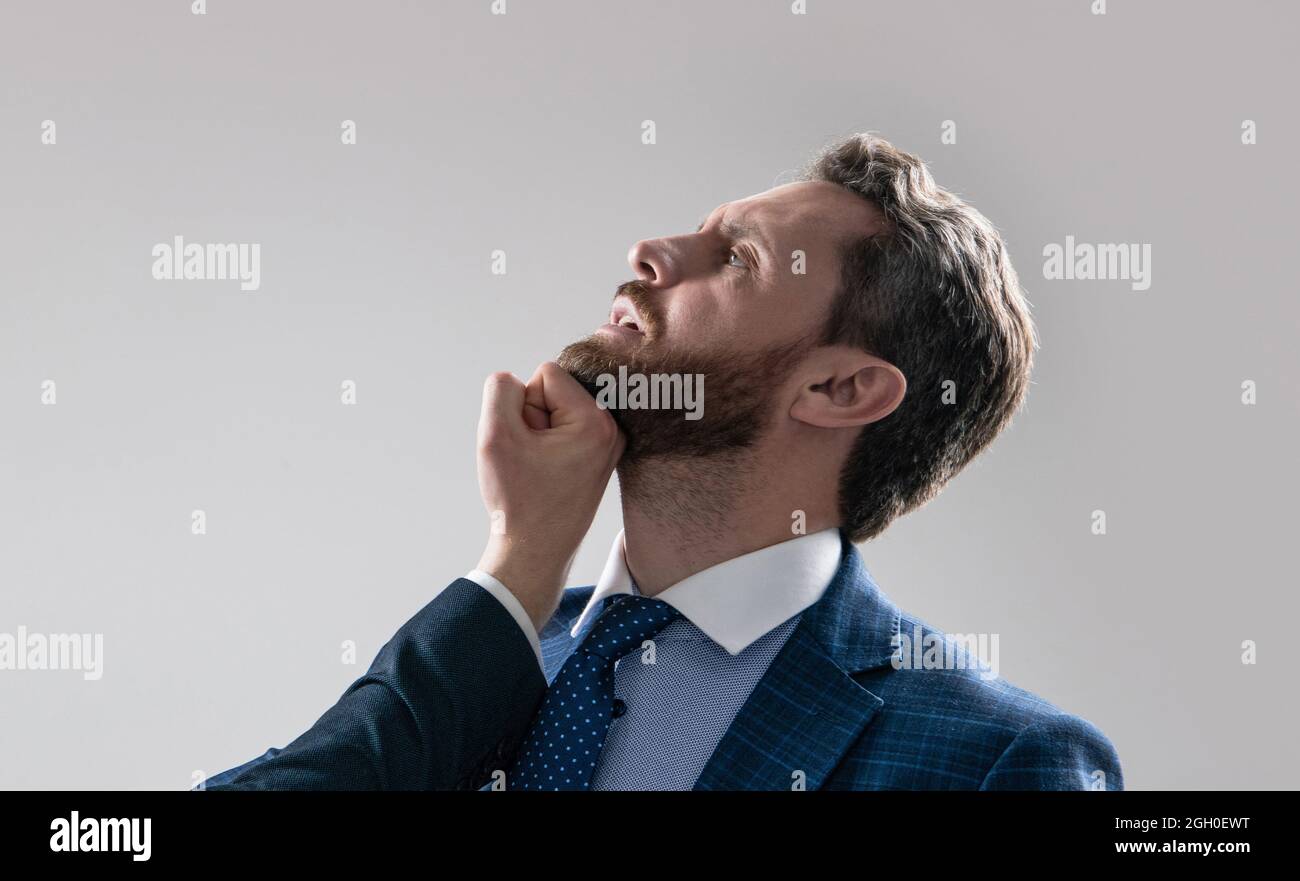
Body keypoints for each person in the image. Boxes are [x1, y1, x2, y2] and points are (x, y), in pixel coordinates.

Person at [203, 133, 1122, 791]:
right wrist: (518, 559)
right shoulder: (487, 655)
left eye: (736, 259)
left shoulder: (998, 763)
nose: (650, 252)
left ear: (840, 389)